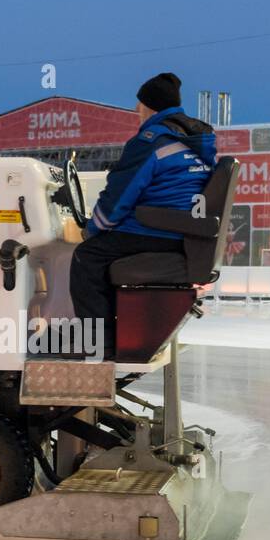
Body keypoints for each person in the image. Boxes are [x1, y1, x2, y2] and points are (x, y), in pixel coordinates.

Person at [69, 72, 216, 356]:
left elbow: (120, 196)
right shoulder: (195, 142)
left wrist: (93, 228)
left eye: (139, 106)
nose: (137, 112)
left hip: (157, 230)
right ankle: (111, 332)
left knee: (87, 256)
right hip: (183, 232)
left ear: (147, 106)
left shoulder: (151, 140)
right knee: (102, 250)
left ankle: (100, 343)